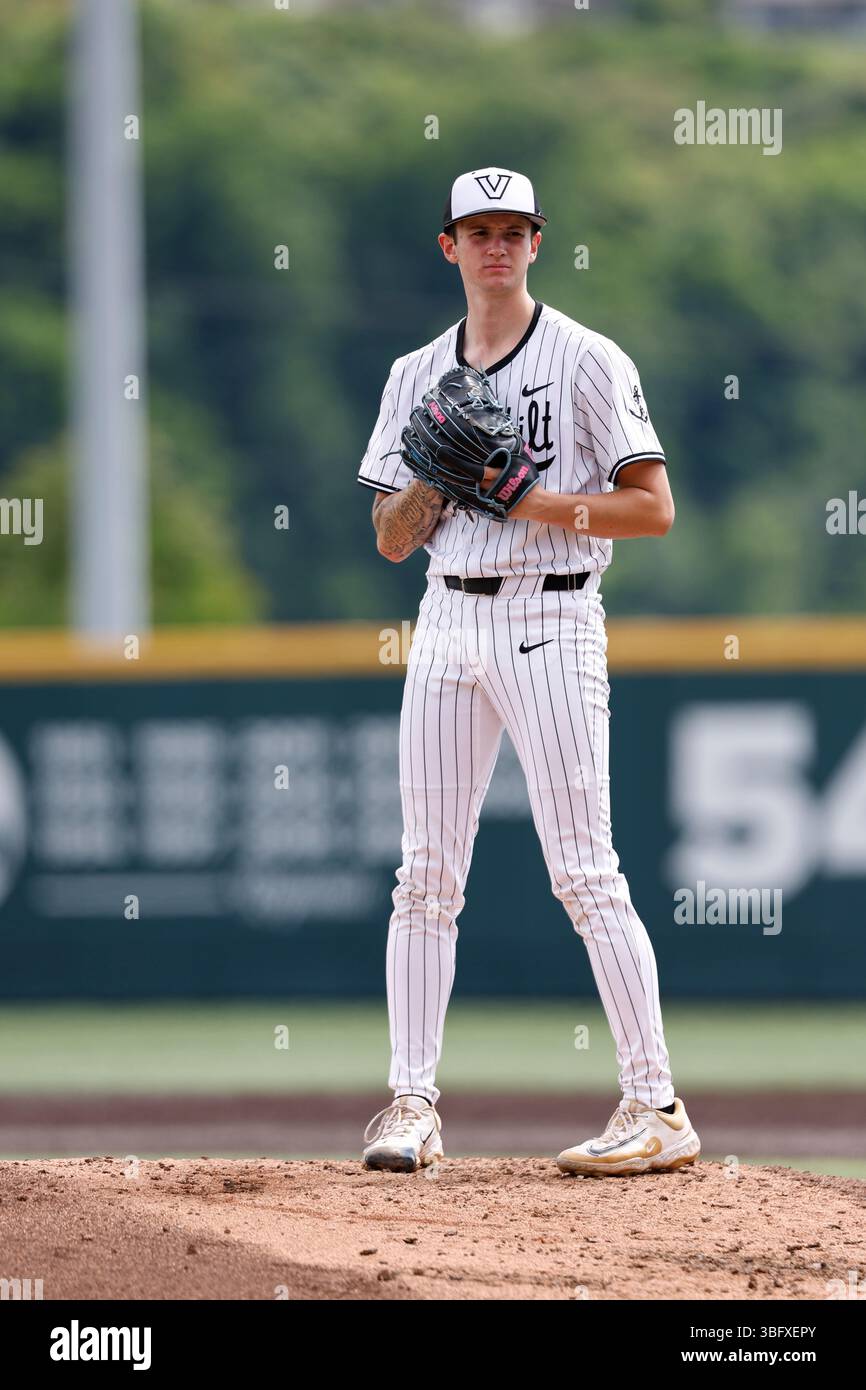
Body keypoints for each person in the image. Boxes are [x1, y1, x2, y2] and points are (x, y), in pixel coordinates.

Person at [356, 166, 700, 1177]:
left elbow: (652, 509)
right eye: (477, 230)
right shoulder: (414, 372)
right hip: (446, 619)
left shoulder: (586, 360)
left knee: (584, 872)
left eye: (512, 229)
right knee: (423, 876)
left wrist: (526, 496)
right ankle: (410, 1104)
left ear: (537, 242)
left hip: (552, 613)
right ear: (448, 246)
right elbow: (386, 537)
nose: (494, 245)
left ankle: (654, 1102)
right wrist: (437, 475)